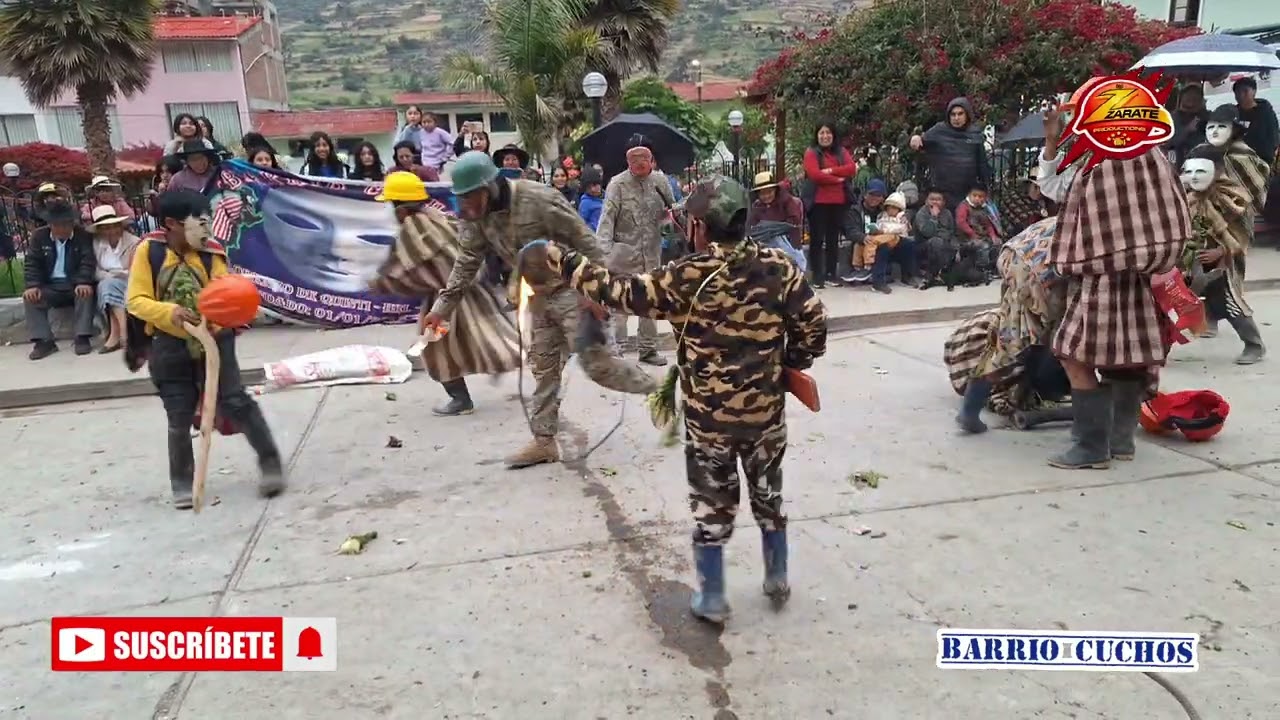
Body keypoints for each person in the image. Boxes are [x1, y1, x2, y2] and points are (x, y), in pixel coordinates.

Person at [534, 175, 828, 623]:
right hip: (766, 415)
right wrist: (790, 362)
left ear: (700, 227)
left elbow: (616, 290)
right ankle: (777, 577)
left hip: (709, 424)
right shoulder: (779, 267)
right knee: (769, 495)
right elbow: (814, 326)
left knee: (712, 507)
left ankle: (712, 599)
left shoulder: (684, 276)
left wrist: (559, 257)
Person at [419, 152, 613, 468]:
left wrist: (597, 293)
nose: (466, 203)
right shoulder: (475, 216)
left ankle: (660, 394)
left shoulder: (540, 199)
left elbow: (586, 242)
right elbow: (467, 261)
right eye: (462, 197)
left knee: (600, 363)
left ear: (490, 187)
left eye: (470, 195)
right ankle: (544, 442)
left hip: (571, 288)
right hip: (537, 295)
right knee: (543, 367)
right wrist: (442, 308)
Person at [125, 189, 286, 509]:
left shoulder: (212, 253)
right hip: (168, 343)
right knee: (178, 412)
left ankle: (271, 464)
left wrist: (220, 318)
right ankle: (182, 482)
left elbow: (224, 293)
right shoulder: (149, 252)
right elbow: (136, 300)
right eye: (197, 222)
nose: (205, 229)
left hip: (215, 339)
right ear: (172, 224)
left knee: (235, 400)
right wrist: (168, 312)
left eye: (206, 221)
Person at [1047, 145, 1190, 469]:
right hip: (1145, 278)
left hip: (1103, 278)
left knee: (1073, 356)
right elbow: (1177, 219)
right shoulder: (1156, 157)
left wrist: (1066, 263)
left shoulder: (1100, 162)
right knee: (1126, 360)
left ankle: (1091, 448)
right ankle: (1121, 442)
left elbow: (1073, 212)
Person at [372, 172, 480, 414]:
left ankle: (461, 400)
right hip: (462, 292)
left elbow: (405, 271)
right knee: (454, 345)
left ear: (401, 209)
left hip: (445, 301)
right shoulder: (436, 216)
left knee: (434, 349)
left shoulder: (413, 230)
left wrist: (380, 284)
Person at [1181, 145, 1265, 364]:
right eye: (1189, 171)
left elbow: (1245, 233)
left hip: (1227, 259)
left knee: (1231, 302)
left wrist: (1220, 251)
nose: (1194, 176)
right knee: (1196, 294)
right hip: (1195, 258)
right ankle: (1207, 323)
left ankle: (1255, 345)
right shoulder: (1189, 196)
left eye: (1201, 170)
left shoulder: (1234, 196)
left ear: (1218, 169)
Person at [596, 137, 675, 366]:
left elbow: (672, 210)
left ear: (652, 160)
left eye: (643, 158)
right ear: (627, 161)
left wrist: (669, 220)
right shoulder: (617, 184)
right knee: (620, 304)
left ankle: (648, 350)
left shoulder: (661, 182)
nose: (639, 163)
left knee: (649, 303)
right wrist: (602, 255)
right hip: (623, 254)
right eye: (634, 158)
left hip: (652, 253)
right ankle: (617, 352)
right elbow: (606, 220)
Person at [22, 199, 97, 359]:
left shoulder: (83, 236)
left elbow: (87, 261)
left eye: (66, 224)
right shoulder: (39, 236)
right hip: (50, 285)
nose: (62, 228)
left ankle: (82, 337)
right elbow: (32, 263)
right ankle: (43, 341)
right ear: (50, 224)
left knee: (86, 292)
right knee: (31, 297)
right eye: (57, 225)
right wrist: (32, 285)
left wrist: (83, 281)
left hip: (74, 283)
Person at [908, 97, 991, 210]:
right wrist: (916, 138)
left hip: (966, 192)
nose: (956, 118)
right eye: (953, 114)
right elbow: (921, 142)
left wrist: (986, 187)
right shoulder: (939, 130)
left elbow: (982, 163)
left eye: (960, 114)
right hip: (942, 192)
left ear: (967, 114)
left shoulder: (975, 134)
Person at [801, 121, 856, 287]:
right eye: (822, 133)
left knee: (833, 240)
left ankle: (831, 274)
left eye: (828, 133)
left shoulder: (841, 151)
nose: (825, 136)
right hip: (818, 202)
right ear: (817, 135)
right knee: (817, 240)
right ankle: (817, 276)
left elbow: (851, 169)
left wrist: (831, 171)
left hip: (838, 202)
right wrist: (838, 179)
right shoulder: (811, 152)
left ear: (833, 135)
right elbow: (815, 175)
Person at [90, 205, 141, 354]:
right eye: (106, 228)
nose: (112, 230)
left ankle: (117, 335)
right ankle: (124, 334)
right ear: (100, 230)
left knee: (107, 286)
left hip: (131, 281)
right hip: (108, 281)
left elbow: (138, 269)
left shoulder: (134, 242)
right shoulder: (96, 244)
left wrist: (119, 275)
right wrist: (110, 276)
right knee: (107, 285)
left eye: (114, 226)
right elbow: (95, 270)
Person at [748, 171, 803, 247]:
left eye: (769, 192)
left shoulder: (787, 200)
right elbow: (751, 226)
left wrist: (776, 228)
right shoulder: (757, 206)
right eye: (762, 193)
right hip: (764, 244)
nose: (766, 196)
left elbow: (794, 220)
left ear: (775, 190)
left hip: (789, 243)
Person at [1233, 77, 1278, 164]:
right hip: (1240, 159)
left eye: (1245, 91)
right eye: (1237, 92)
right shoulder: (1233, 114)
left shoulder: (1265, 111)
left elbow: (1273, 134)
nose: (1241, 95)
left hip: (1262, 159)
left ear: (1254, 91)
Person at [395, 107, 454, 172]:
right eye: (410, 114)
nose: (413, 116)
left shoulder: (436, 132)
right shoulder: (406, 130)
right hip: (418, 161)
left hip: (436, 162)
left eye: (415, 114)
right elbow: (398, 145)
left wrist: (445, 156)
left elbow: (451, 143)